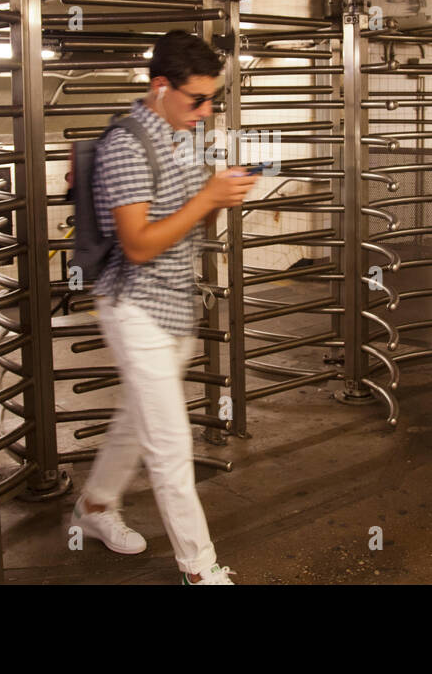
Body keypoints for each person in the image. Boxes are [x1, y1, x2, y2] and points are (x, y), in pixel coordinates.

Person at [69, 29, 255, 585]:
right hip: (135, 308)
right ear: (159, 88)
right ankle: (200, 570)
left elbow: (192, 226)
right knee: (171, 446)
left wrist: (221, 198)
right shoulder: (126, 144)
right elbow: (139, 243)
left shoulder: (184, 135)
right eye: (196, 99)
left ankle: (96, 507)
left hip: (177, 305)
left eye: (212, 100)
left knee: (137, 421)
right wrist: (207, 197)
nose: (206, 110)